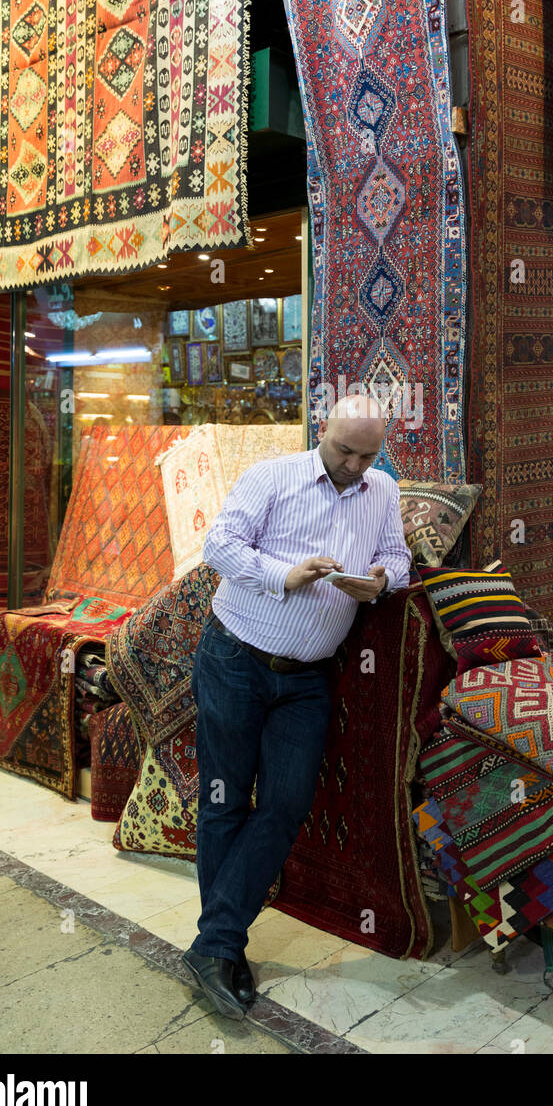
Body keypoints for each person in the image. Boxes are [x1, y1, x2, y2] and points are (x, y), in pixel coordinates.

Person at [182, 393, 412, 1020]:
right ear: (322, 430)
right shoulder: (271, 476)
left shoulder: (382, 491)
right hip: (235, 658)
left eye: (368, 455)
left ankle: (211, 945)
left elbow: (398, 558)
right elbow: (220, 547)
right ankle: (224, 946)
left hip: (307, 678)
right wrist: (287, 575)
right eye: (344, 451)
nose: (355, 465)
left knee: (285, 804)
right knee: (225, 802)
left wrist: (381, 582)